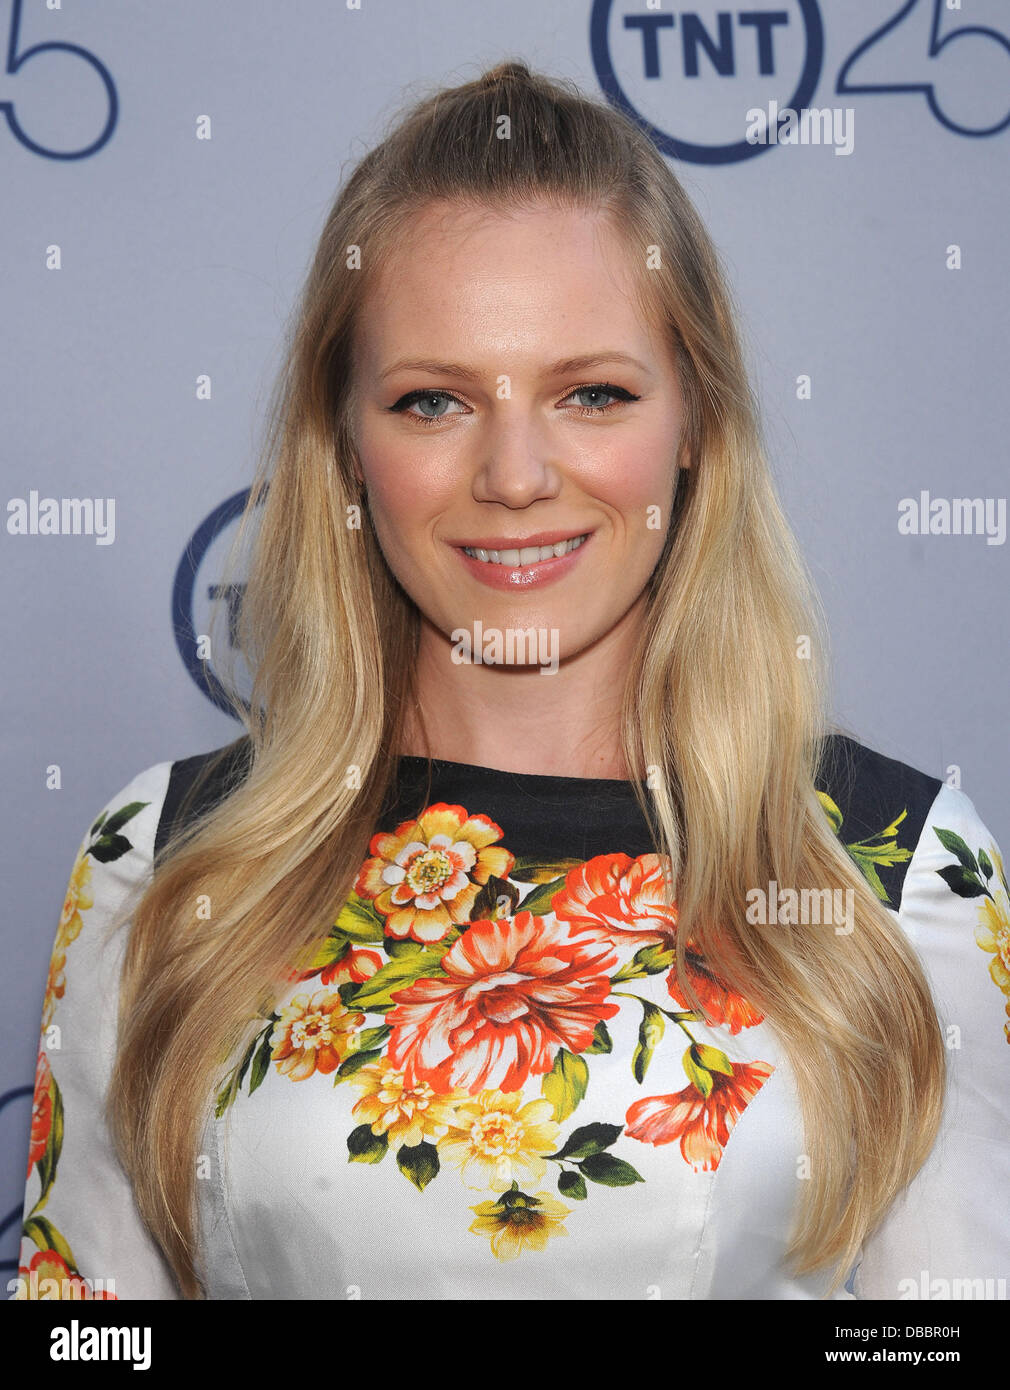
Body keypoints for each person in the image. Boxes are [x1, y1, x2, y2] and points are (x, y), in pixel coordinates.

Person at [13, 60, 1009, 1302]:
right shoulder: (165, 861)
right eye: (433, 401)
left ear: (695, 418)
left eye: (591, 392)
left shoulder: (896, 873)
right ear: (345, 444)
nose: (516, 474)